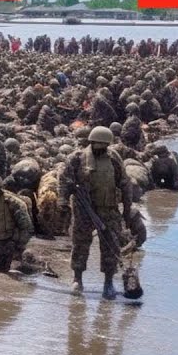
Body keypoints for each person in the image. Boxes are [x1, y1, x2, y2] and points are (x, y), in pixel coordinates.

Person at [60, 126, 131, 300]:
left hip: (109, 209)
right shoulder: (77, 158)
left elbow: (124, 182)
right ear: (91, 142)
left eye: (104, 145)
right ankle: (77, 278)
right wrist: (62, 202)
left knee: (110, 245)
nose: (100, 148)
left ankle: (108, 283)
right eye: (97, 145)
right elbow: (64, 180)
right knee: (80, 243)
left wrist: (127, 209)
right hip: (84, 208)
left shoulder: (114, 158)